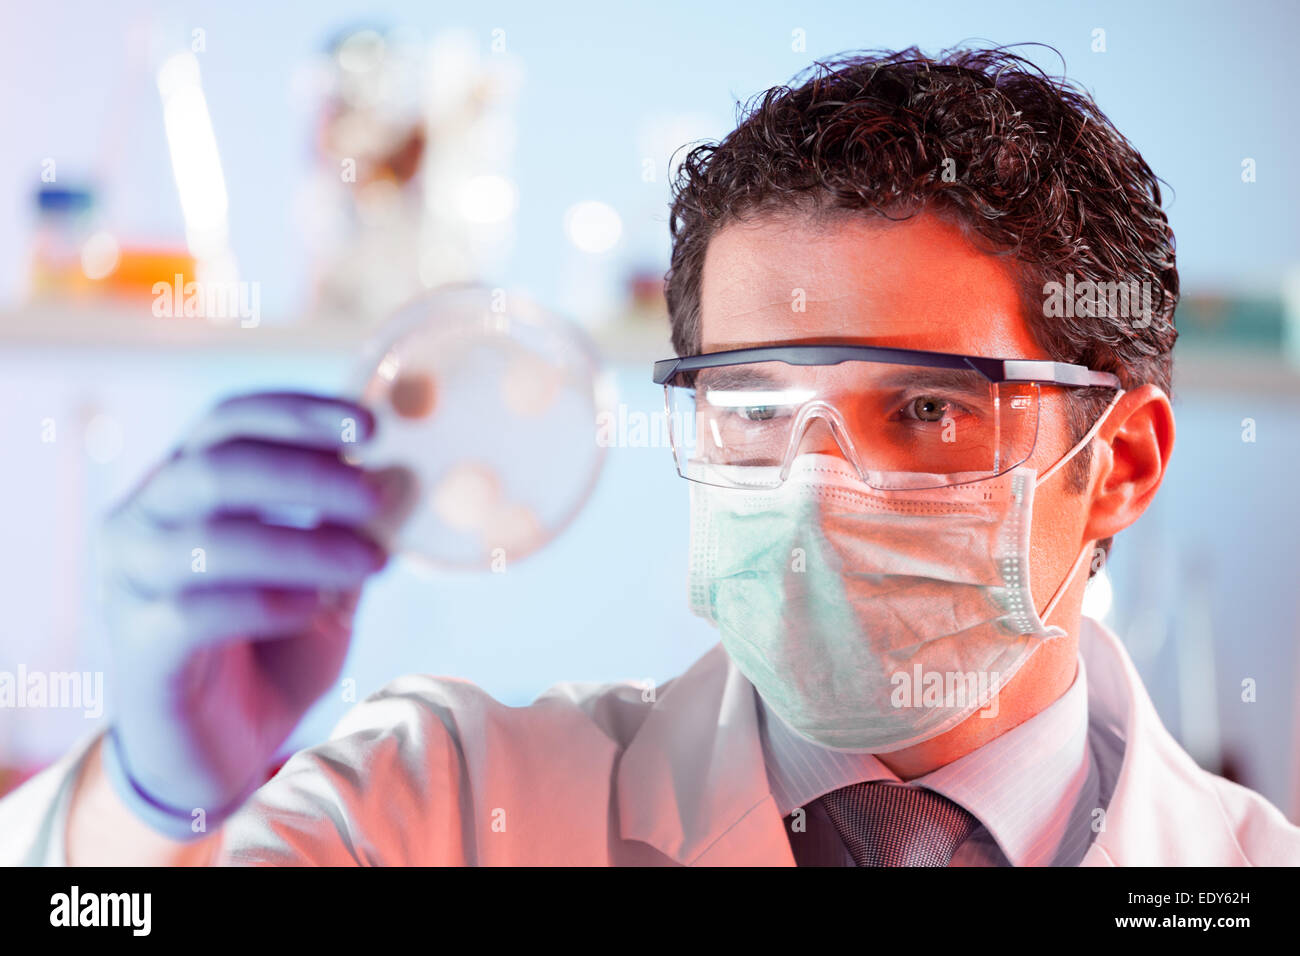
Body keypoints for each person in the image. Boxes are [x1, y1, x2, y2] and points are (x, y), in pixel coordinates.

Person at [3, 46, 1298, 867]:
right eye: (751, 403)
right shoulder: (445, 804)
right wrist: (153, 800)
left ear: (1118, 462)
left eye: (924, 409)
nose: (809, 488)